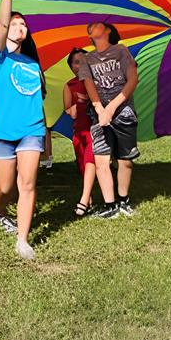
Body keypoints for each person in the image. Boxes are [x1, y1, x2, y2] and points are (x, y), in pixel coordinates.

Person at [0, 0, 47, 260]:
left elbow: (38, 100)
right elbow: (1, 22)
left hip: (31, 129)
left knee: (27, 184)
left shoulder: (34, 63)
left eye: (24, 24)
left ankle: (23, 240)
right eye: (16, 23)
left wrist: (45, 134)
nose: (20, 27)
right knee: (5, 187)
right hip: (2, 131)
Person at [80, 20, 140, 218]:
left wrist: (112, 108)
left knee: (125, 160)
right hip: (99, 115)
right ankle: (110, 205)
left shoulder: (122, 51)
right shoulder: (87, 58)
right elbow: (89, 84)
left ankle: (123, 200)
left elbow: (132, 80)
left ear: (108, 32)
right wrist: (99, 109)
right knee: (101, 160)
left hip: (123, 113)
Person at [64, 49, 102, 217]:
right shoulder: (69, 86)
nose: (79, 65)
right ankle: (90, 202)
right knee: (83, 166)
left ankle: (83, 201)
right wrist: (78, 103)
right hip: (79, 132)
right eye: (75, 62)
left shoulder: (97, 81)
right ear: (71, 66)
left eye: (83, 60)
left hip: (94, 129)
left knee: (90, 160)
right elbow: (68, 110)